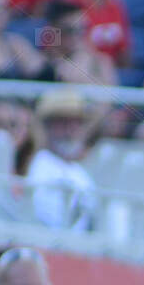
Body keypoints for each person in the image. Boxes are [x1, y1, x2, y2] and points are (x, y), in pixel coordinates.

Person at [26, 90, 99, 231]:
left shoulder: (80, 173)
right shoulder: (41, 166)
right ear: (48, 127)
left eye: (77, 123)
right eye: (63, 123)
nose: (71, 130)